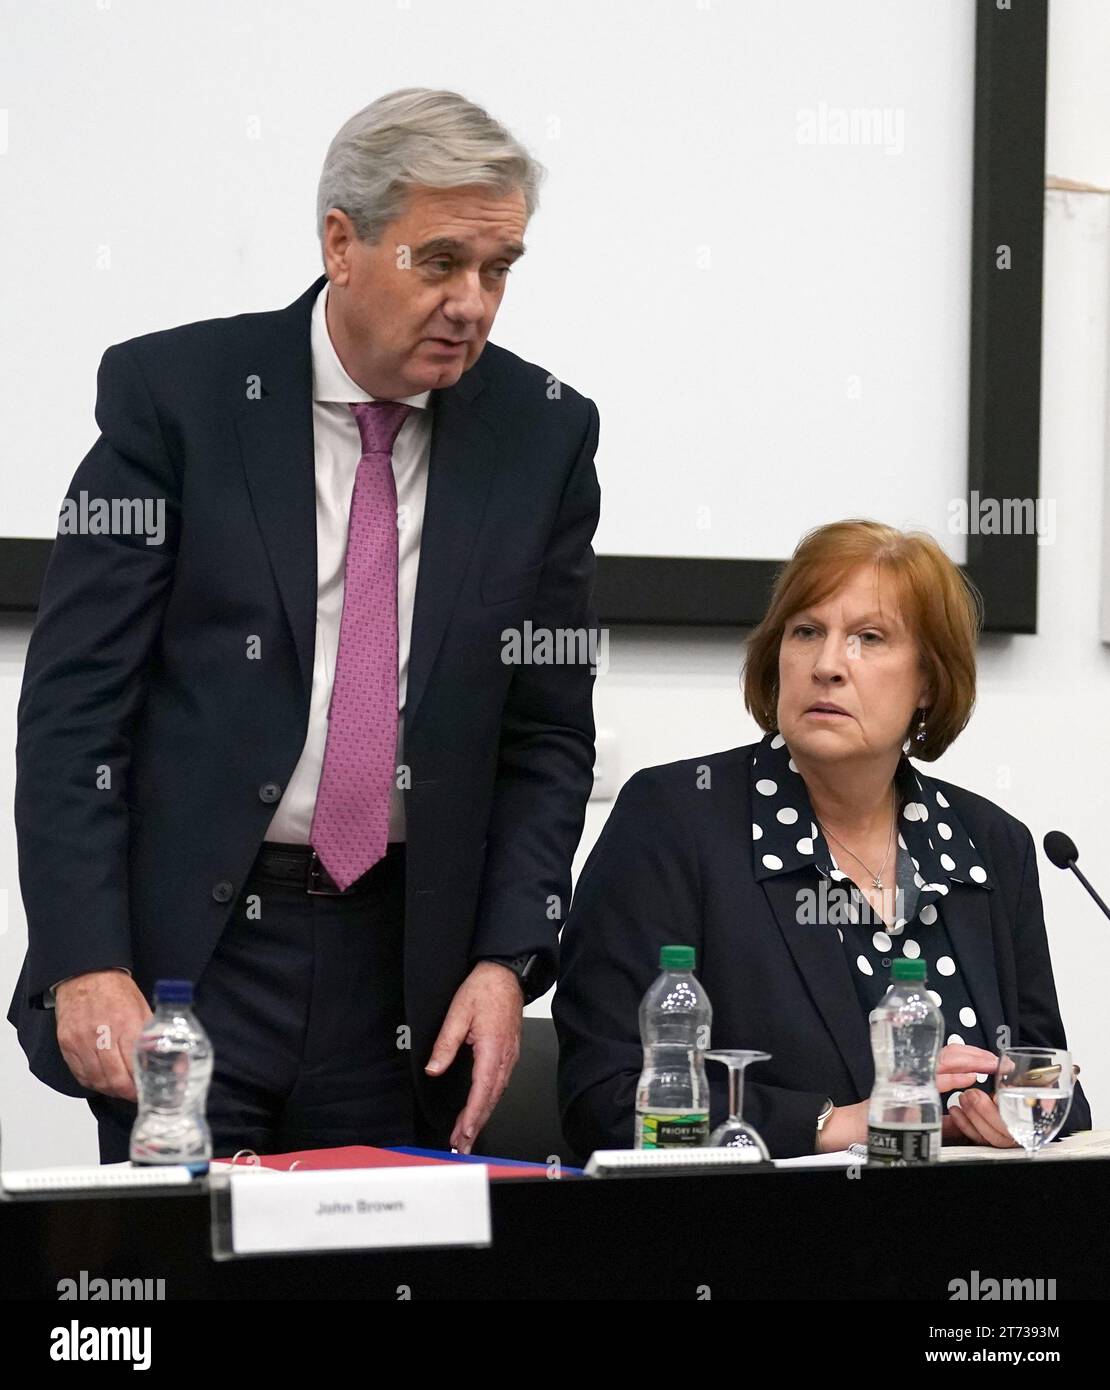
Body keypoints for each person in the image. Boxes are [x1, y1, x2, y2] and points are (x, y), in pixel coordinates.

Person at [10, 88, 601, 1162]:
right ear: (342, 240)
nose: (472, 303)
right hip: (195, 962)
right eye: (441, 262)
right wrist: (84, 958)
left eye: (500, 269)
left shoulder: (542, 434)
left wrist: (507, 960)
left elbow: (548, 735)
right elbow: (74, 712)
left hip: (403, 965)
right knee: (183, 1271)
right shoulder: (178, 399)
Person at [554, 520, 1090, 1158]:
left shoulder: (991, 845)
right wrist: (836, 1122)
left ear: (927, 682)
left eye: (870, 638)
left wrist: (1014, 1108)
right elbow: (606, 1100)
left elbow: (1054, 1082)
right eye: (807, 632)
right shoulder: (675, 821)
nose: (829, 664)